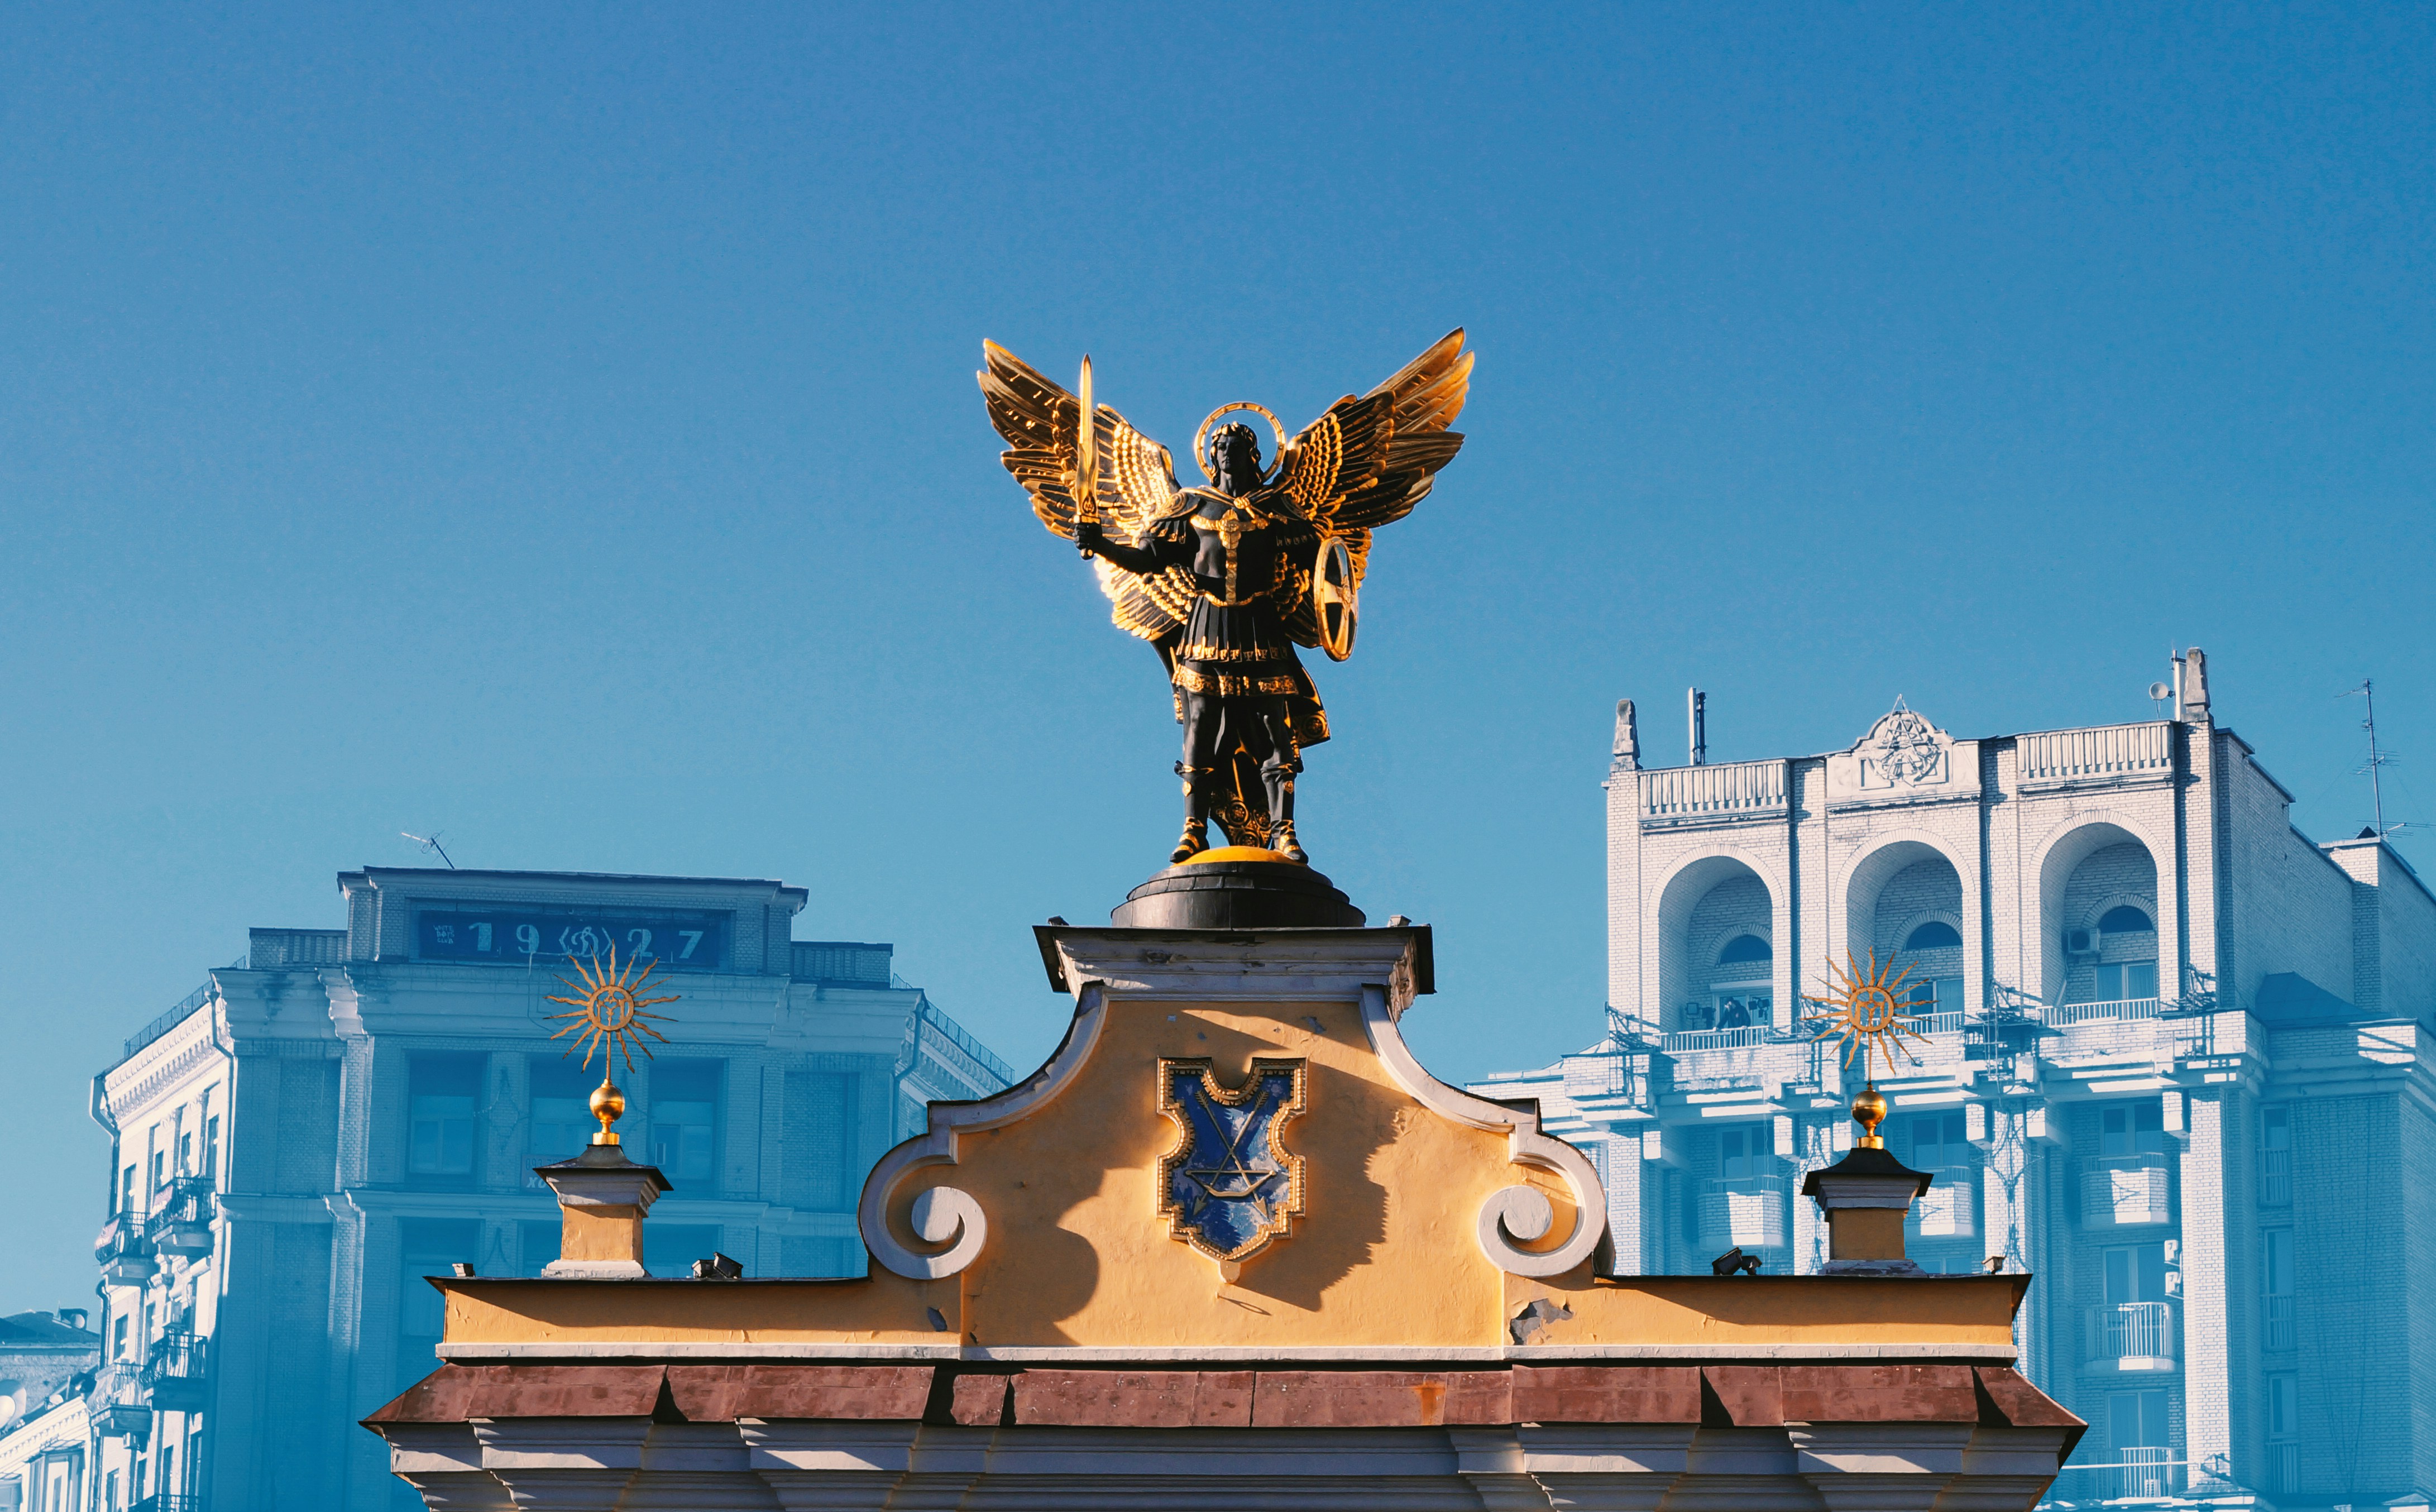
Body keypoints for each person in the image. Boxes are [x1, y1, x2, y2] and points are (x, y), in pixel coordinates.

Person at [1077, 423, 1322, 863]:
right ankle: (1193, 829)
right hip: (1206, 626)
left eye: (1234, 446)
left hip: (1260, 624)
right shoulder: (1189, 504)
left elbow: (1321, 560)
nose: (1225, 452)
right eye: (1219, 446)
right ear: (1211, 456)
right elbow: (1147, 559)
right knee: (1200, 726)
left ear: (1253, 454)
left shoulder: (1276, 506)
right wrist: (1102, 544)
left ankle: (1284, 830)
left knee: (1274, 730)